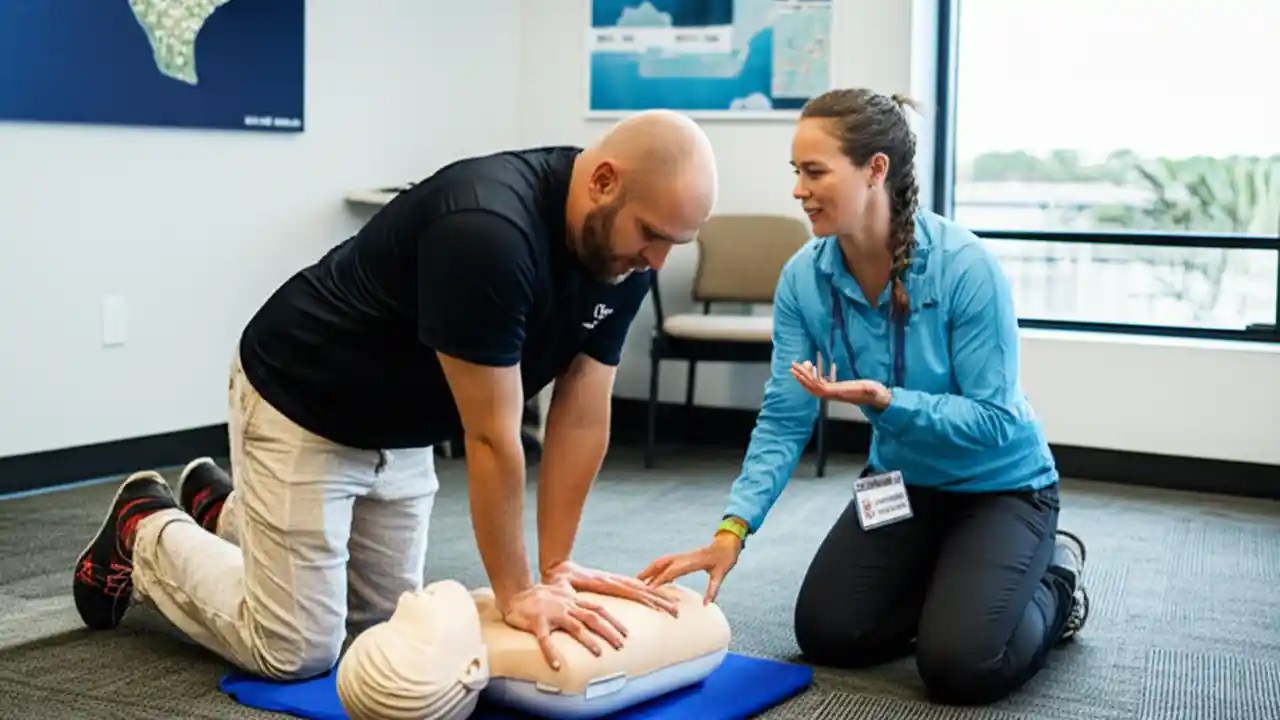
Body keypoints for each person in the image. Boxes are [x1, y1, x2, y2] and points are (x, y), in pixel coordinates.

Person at [72, 109, 719, 680]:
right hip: (305, 399)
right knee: (297, 651)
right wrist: (519, 593)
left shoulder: (623, 252)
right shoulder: (490, 230)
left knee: (386, 632)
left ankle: (226, 512)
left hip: (403, 424)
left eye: (676, 243)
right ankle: (146, 527)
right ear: (604, 182)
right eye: (653, 235)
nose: (658, 263)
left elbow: (580, 414)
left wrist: (557, 568)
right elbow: (492, 436)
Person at [637, 88, 1090, 706]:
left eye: (815, 171)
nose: (799, 188)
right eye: (796, 171)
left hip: (1003, 486)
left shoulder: (965, 266)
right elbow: (783, 417)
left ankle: (1056, 580)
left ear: (876, 170)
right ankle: (956, 582)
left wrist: (888, 400)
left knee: (960, 665)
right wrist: (731, 531)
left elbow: (994, 420)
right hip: (898, 484)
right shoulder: (804, 277)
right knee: (827, 633)